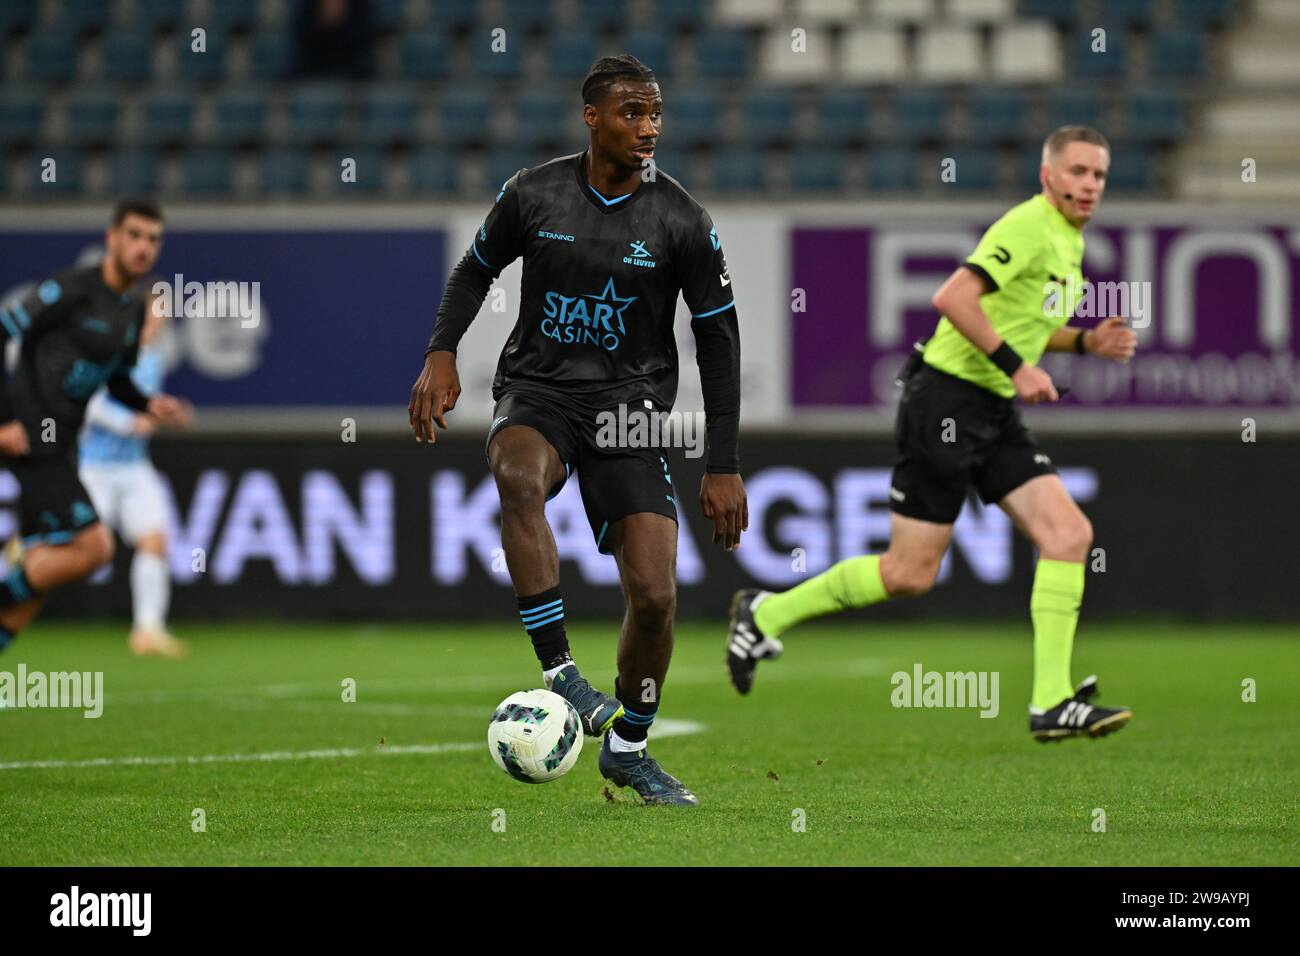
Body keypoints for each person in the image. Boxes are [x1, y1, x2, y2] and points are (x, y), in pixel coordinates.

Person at [727, 127, 1139, 743]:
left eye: (1099, 175)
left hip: (992, 412)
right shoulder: (1028, 226)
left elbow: (1020, 321)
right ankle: (767, 612)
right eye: (1077, 171)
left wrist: (1082, 341)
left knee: (1070, 533)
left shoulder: (1068, 241)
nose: (1088, 185)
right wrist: (1018, 368)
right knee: (908, 573)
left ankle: (1051, 700)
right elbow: (955, 298)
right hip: (944, 401)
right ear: (1048, 175)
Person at [409, 56, 745, 803]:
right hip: (540, 391)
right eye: (632, 113)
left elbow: (719, 338)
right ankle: (561, 672)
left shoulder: (681, 218)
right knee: (518, 477)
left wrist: (722, 462)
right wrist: (441, 352)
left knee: (655, 597)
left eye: (656, 114)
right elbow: (474, 271)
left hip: (629, 411)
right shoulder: (533, 193)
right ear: (591, 116)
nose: (648, 128)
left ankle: (627, 748)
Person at [0, 199, 189, 654]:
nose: (143, 247)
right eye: (134, 235)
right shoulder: (70, 289)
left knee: (42, 569)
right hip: (31, 436)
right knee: (95, 548)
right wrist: (4, 419)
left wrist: (149, 404)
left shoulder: (131, 310)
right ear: (112, 238)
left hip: (62, 445)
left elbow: (118, 381)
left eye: (153, 239)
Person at [80, 286, 193, 658]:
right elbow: (88, 401)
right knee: (75, 551)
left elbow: (147, 405)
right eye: (156, 312)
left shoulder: (155, 355)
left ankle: (148, 630)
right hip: (93, 467)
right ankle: (20, 560)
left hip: (133, 467)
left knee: (155, 540)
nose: (162, 320)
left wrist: (170, 412)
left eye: (165, 314)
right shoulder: (109, 348)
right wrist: (129, 422)